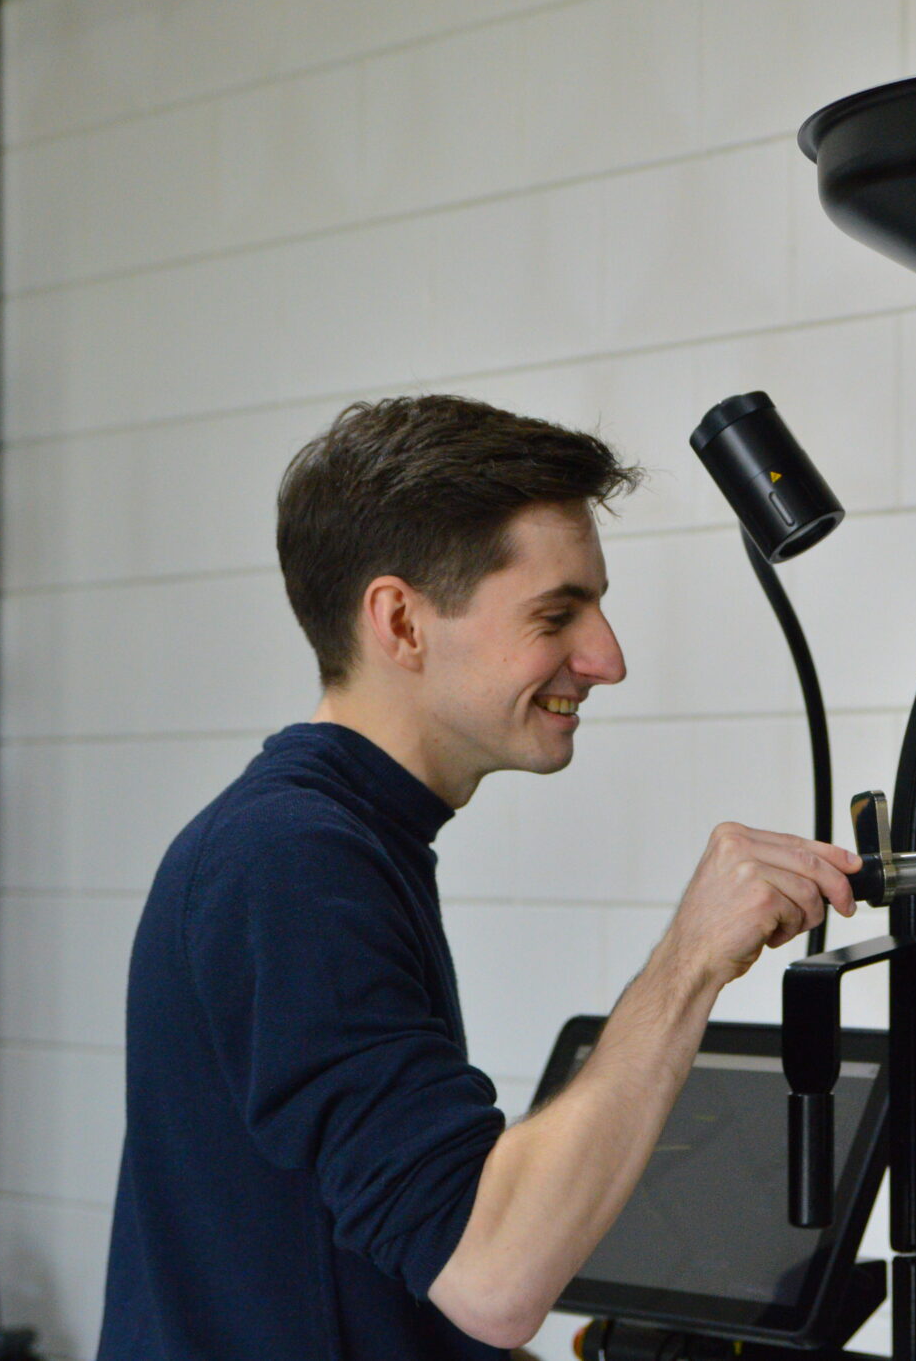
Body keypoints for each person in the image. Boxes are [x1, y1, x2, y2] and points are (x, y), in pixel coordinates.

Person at [96, 395, 861, 1359]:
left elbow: (377, 1250)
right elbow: (492, 1277)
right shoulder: (290, 863)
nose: (607, 659)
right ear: (401, 622)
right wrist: (691, 961)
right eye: (556, 614)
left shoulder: (344, 840)